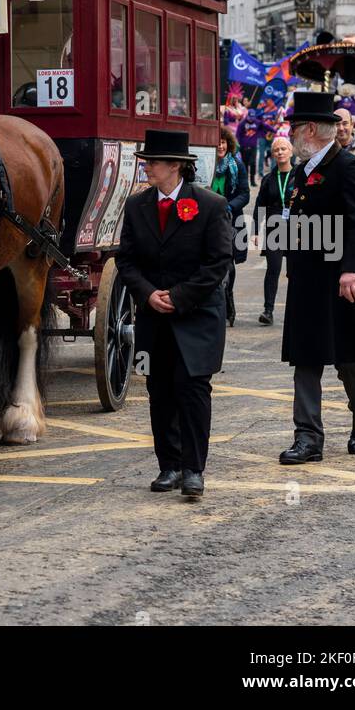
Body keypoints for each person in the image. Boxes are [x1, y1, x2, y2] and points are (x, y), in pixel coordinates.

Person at [278, 91, 355, 464]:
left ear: (310, 128)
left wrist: (350, 269)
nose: (291, 134)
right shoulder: (300, 170)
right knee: (306, 358)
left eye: (295, 127)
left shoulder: (347, 166)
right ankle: (308, 438)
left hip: (343, 278)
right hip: (308, 280)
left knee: (349, 358)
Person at [116, 129, 232, 499]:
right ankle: (168, 465)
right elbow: (127, 260)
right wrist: (148, 295)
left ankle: (193, 469)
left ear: (175, 166)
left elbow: (218, 263)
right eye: (146, 162)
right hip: (154, 316)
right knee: (159, 390)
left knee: (193, 389)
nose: (146, 167)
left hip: (197, 316)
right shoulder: (137, 206)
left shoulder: (211, 205)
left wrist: (179, 297)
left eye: (152, 162)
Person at [253, 135, 297, 326]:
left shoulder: (299, 175)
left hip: (296, 229)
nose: (280, 152)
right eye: (276, 150)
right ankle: (268, 310)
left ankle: (299, 309)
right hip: (274, 229)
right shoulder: (269, 179)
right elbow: (259, 205)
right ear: (272, 155)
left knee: (296, 271)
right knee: (273, 269)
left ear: (291, 151)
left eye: (283, 149)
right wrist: (255, 230)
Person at [210, 127, 249, 326]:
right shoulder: (204, 165)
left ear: (228, 144)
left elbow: (245, 193)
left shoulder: (237, 165)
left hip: (231, 220)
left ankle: (228, 301)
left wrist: (228, 206)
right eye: (217, 142)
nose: (220, 146)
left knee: (228, 265)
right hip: (209, 221)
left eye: (223, 142)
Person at [235, 107, 260, 187]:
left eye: (252, 118)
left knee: (253, 163)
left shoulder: (256, 122)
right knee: (245, 164)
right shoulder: (242, 123)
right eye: (250, 117)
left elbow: (262, 128)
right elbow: (238, 135)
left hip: (253, 146)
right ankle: (245, 181)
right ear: (247, 116)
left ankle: (252, 181)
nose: (251, 119)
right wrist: (240, 144)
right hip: (244, 147)